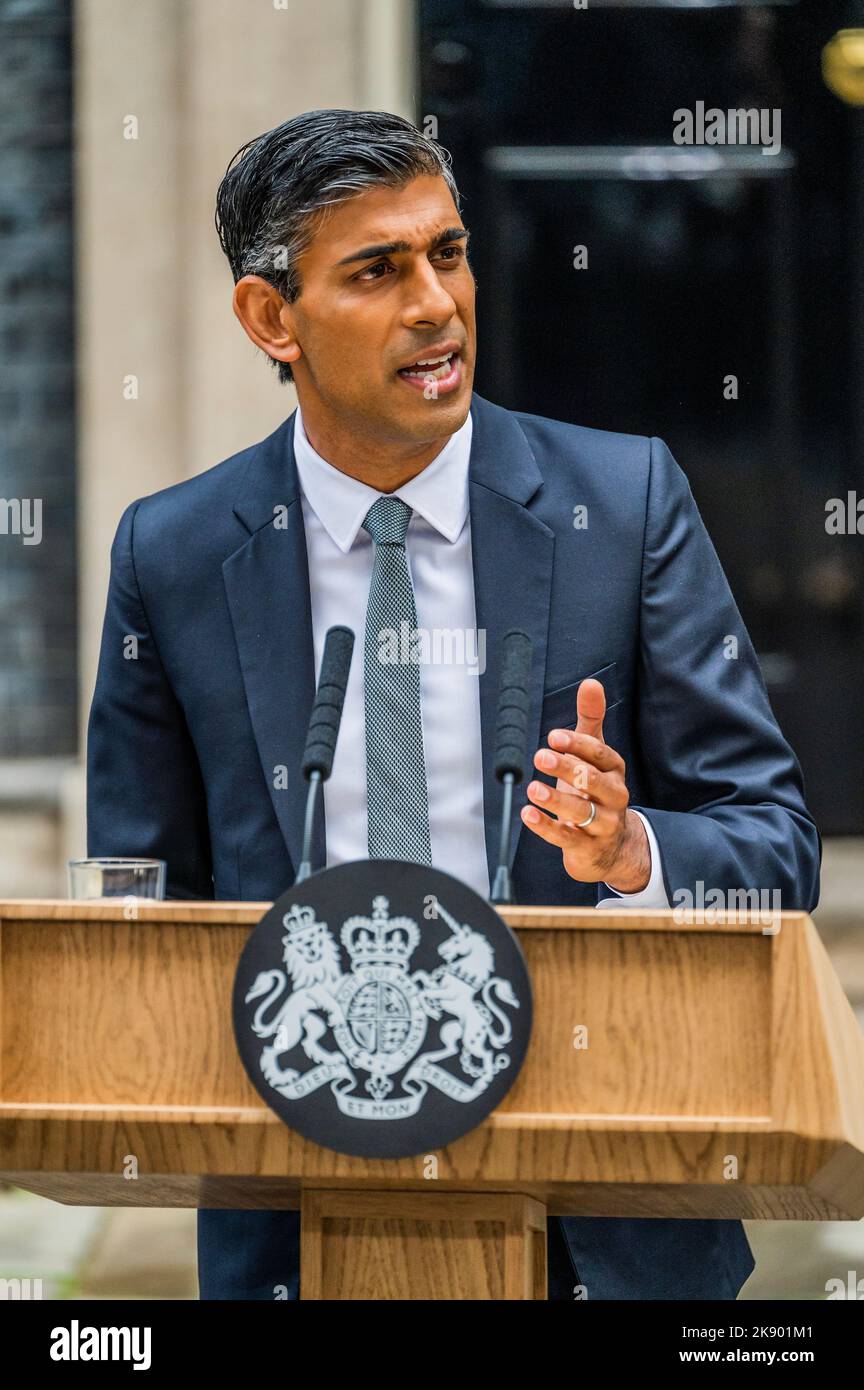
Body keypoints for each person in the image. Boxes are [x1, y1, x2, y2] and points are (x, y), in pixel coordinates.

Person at [87, 109, 820, 1301]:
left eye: (449, 252)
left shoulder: (623, 504)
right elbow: (135, 906)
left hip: (606, 1224)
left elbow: (776, 846)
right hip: (299, 1215)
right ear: (273, 318)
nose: (436, 303)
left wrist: (630, 850)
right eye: (377, 270)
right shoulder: (170, 555)